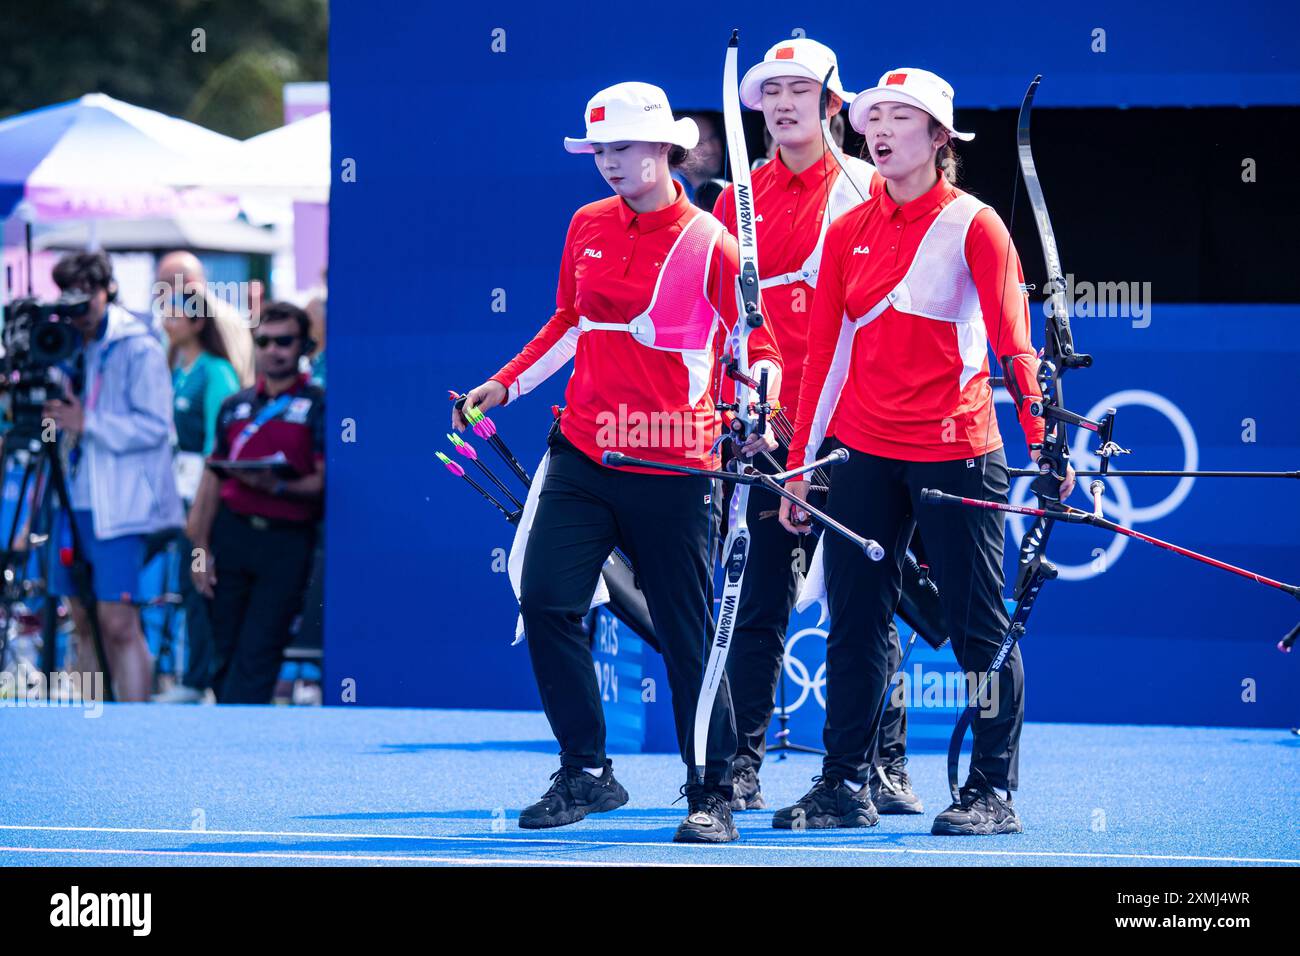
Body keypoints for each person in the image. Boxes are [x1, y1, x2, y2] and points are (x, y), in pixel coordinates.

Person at [454, 81, 783, 844]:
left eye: (622, 147)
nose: (608, 161)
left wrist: (761, 406)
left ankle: (712, 791)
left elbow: (756, 343)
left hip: (674, 463)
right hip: (582, 452)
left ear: (664, 148)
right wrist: (505, 384)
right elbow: (570, 322)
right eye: (598, 149)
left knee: (687, 634)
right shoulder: (586, 223)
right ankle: (587, 771)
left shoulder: (711, 242)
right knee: (545, 599)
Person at [780, 68, 1075, 835]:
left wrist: (1047, 447)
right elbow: (824, 359)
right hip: (864, 453)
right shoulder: (847, 230)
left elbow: (1015, 348)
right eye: (873, 117)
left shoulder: (976, 224)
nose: (879, 130)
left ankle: (991, 791)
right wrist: (803, 466)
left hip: (957, 450)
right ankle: (844, 783)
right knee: (854, 623)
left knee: (979, 630)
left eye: (900, 119)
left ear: (940, 137)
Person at [711, 38, 924, 818]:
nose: (782, 104)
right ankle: (738, 769)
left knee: (864, 608)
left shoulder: (871, 187)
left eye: (800, 90)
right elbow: (723, 324)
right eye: (771, 92)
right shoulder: (734, 201)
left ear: (833, 103)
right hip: (768, 433)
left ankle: (881, 767)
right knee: (757, 602)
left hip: (856, 430)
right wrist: (735, 411)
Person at [43, 252, 184, 701]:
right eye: (70, 300)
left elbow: (157, 427)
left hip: (119, 507)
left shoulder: (138, 346)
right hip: (71, 498)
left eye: (87, 299)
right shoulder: (62, 344)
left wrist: (89, 423)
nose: (79, 312)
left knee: (118, 621)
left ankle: (135, 720)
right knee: (81, 618)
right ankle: (93, 716)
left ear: (109, 292)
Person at [187, 303, 325, 704]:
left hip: (286, 541)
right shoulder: (234, 405)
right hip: (231, 535)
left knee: (258, 655)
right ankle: (226, 733)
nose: (272, 350)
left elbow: (323, 481)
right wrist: (199, 550)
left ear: (304, 346)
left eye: (284, 341)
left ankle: (241, 737)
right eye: (263, 341)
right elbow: (212, 478)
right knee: (222, 653)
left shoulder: (320, 405)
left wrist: (276, 486)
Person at [152, 295, 241, 703]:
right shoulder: (175, 370)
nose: (167, 322)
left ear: (197, 323)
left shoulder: (216, 372)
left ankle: (199, 677)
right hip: (173, 493)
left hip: (203, 496)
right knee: (182, 581)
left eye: (176, 315)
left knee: (198, 579)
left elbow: (216, 445)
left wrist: (203, 508)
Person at [155, 251, 255, 387]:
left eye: (165, 284)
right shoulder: (178, 316)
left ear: (191, 282)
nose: (159, 292)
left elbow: (231, 377)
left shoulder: (222, 317)